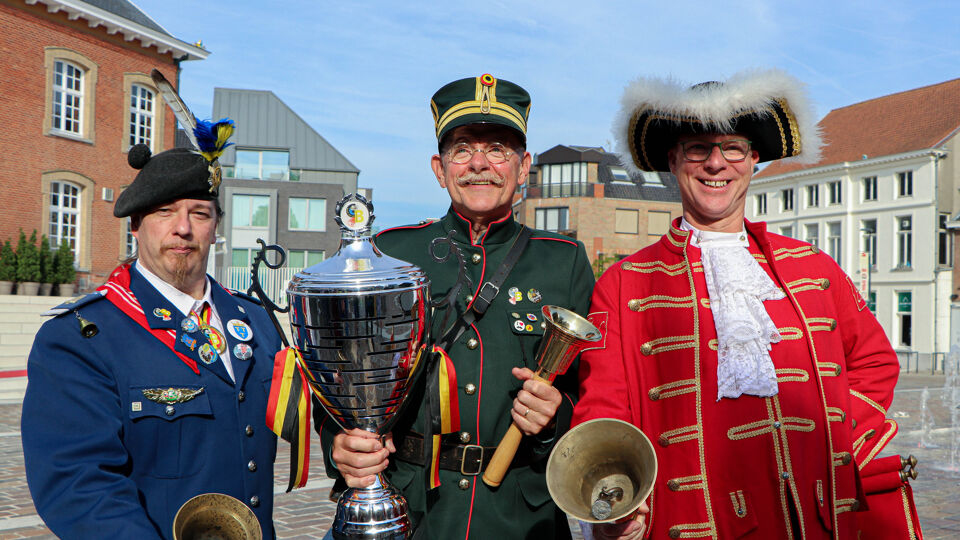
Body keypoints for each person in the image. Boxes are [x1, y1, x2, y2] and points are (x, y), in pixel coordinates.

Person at [572, 69, 901, 539]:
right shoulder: (623, 284)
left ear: (753, 160)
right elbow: (604, 408)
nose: (716, 164)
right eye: (698, 149)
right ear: (674, 160)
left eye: (732, 148)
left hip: (812, 517)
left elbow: (874, 362)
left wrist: (836, 442)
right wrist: (618, 500)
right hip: (689, 517)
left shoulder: (813, 266)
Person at [317, 74, 595, 539]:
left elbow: (594, 395)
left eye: (499, 149)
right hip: (414, 508)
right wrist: (340, 446)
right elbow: (343, 378)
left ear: (524, 166)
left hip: (521, 515)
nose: (479, 164)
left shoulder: (563, 261)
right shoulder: (390, 255)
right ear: (439, 168)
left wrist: (554, 418)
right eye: (462, 148)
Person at [21, 141, 283, 539]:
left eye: (200, 213)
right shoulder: (81, 338)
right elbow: (78, 485)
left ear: (215, 228)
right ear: (136, 226)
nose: (183, 227)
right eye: (165, 212)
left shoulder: (256, 322)